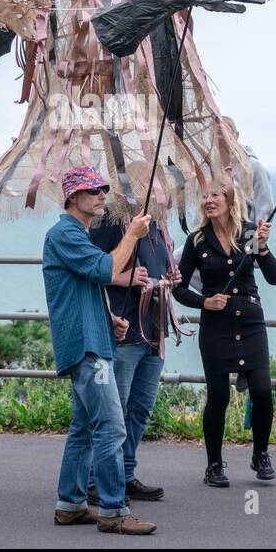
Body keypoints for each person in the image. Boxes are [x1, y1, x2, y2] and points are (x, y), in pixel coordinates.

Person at [43, 164, 156, 534]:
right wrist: (134, 235)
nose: (102, 195)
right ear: (74, 197)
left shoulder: (77, 235)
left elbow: (85, 285)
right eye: (94, 191)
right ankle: (113, 510)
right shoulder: (64, 233)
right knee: (111, 425)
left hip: (94, 337)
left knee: (84, 428)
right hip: (86, 346)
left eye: (103, 189)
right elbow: (106, 268)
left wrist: (108, 317)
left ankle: (70, 504)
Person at [173, 178, 276, 487]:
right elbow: (179, 288)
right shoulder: (197, 241)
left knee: (262, 390)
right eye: (204, 196)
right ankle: (214, 465)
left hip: (250, 321)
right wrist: (204, 302)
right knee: (218, 396)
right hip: (216, 325)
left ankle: (260, 455)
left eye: (215, 195)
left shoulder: (248, 232)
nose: (208, 200)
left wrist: (262, 248)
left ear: (230, 199)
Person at [86, 198, 181, 503]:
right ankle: (96, 481)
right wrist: (122, 277)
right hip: (124, 326)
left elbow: (160, 269)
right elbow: (90, 268)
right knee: (115, 411)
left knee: (140, 409)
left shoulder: (159, 226)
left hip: (155, 328)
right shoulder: (111, 221)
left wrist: (171, 278)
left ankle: (124, 475)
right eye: (158, 186)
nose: (165, 192)